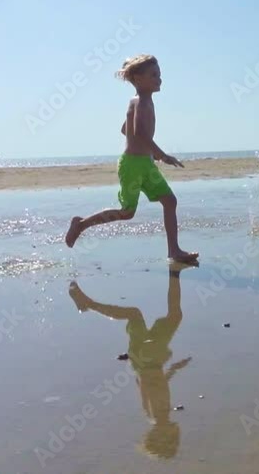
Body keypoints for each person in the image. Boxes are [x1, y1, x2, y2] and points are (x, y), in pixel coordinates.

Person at [64, 54, 198, 264]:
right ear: (137, 79)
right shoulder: (141, 102)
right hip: (133, 166)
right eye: (153, 75)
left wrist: (148, 153)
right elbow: (139, 134)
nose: (159, 79)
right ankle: (80, 224)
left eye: (159, 75)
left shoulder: (142, 102)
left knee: (169, 201)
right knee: (127, 212)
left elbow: (124, 129)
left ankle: (174, 250)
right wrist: (162, 155)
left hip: (145, 163)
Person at [68, 264, 193, 460]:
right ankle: (174, 272)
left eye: (172, 439)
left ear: (163, 435)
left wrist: (153, 359)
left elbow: (148, 384)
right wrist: (173, 369)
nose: (177, 436)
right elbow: (157, 385)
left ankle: (88, 303)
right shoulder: (158, 414)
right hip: (147, 359)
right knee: (154, 315)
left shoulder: (156, 413)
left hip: (148, 358)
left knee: (140, 314)